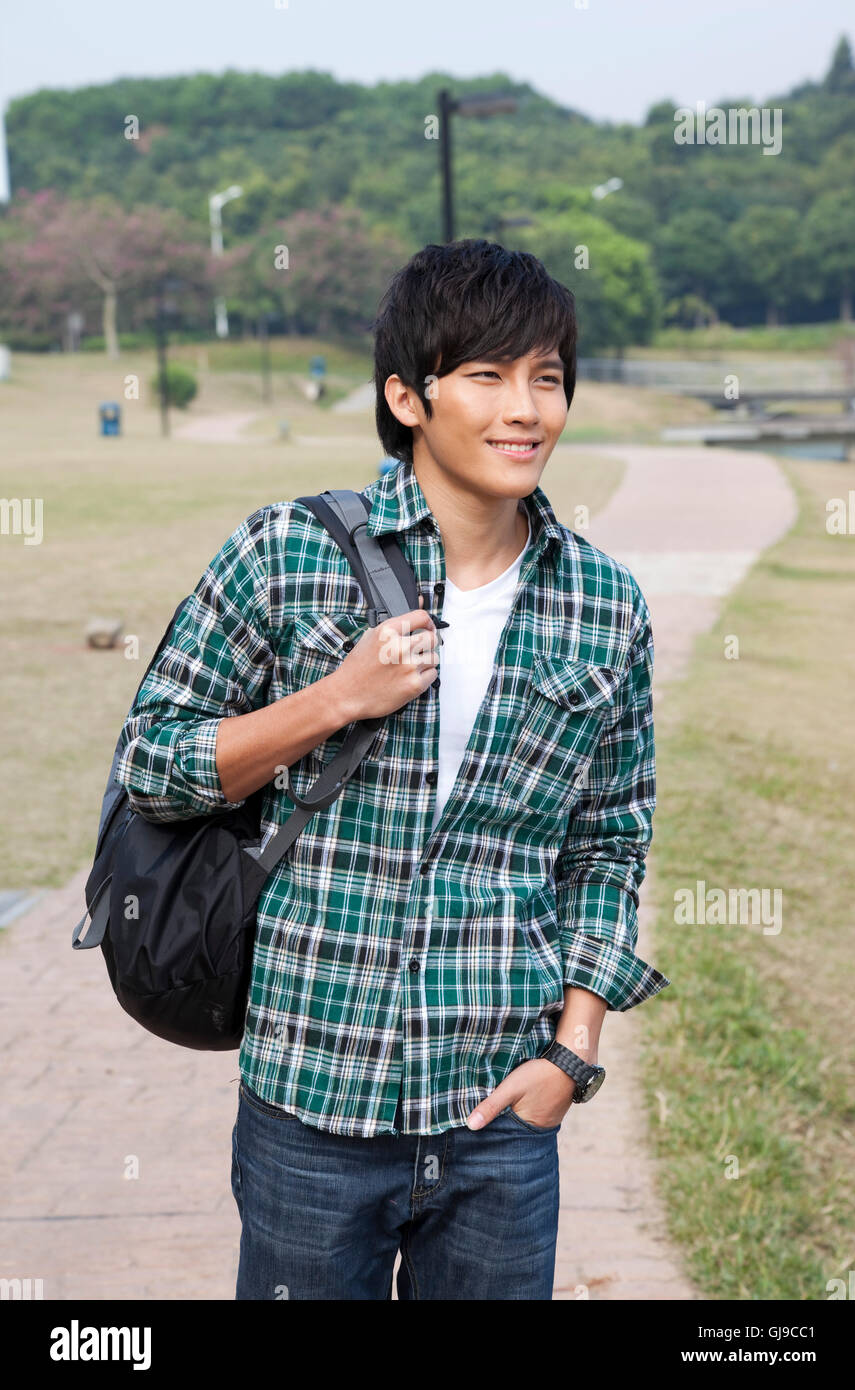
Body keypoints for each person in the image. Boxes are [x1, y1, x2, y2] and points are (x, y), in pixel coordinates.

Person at [114, 238, 670, 1300]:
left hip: (498, 1113)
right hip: (313, 1100)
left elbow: (609, 842)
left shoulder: (606, 604)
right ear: (406, 397)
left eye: (546, 378)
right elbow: (152, 762)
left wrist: (570, 1056)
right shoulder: (286, 554)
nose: (525, 410)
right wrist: (334, 699)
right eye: (487, 376)